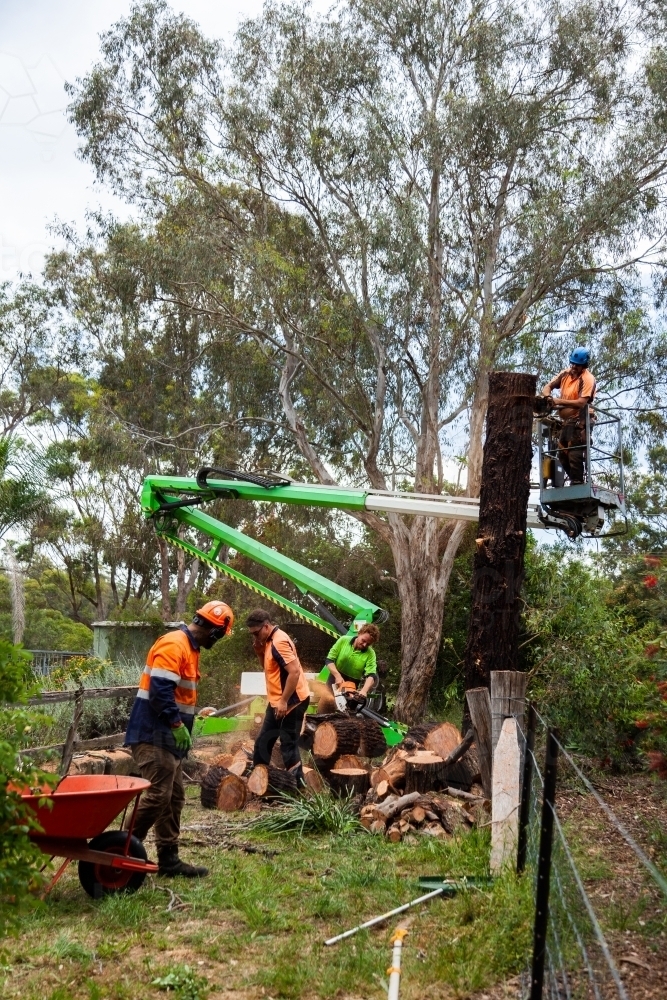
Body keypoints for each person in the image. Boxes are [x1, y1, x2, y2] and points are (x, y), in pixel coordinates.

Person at [124, 600, 234, 877]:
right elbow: (160, 689)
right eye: (220, 637)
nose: (218, 641)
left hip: (166, 736)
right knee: (159, 794)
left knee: (173, 797)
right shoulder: (175, 644)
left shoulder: (189, 648)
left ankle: (168, 859)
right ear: (216, 631)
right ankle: (119, 849)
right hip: (153, 733)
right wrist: (175, 723)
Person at [246, 608, 311, 784]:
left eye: (256, 633)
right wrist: (259, 651)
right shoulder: (267, 641)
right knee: (263, 741)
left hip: (293, 701)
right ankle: (258, 781)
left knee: (288, 743)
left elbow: (295, 672)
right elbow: (268, 668)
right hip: (277, 702)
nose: (255, 637)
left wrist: (283, 701)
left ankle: (298, 786)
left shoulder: (279, 641)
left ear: (266, 626)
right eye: (252, 634)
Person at [541, 347, 596, 484]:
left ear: (584, 365)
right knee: (562, 453)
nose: (574, 367)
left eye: (577, 365)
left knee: (574, 451)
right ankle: (575, 480)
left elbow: (581, 403)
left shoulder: (587, 379)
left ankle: (577, 482)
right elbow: (546, 387)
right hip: (567, 421)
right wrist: (548, 397)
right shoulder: (565, 374)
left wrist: (558, 401)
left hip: (580, 419)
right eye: (572, 363)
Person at [325, 624, 380, 703]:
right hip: (335, 678)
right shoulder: (343, 640)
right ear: (359, 633)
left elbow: (371, 675)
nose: (364, 645)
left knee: (347, 709)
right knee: (325, 704)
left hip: (353, 684)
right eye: (363, 640)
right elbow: (329, 660)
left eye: (368, 644)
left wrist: (364, 691)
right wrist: (337, 676)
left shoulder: (371, 654)